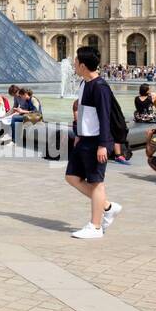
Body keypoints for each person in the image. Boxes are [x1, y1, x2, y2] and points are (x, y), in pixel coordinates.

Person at [66, 45, 121, 239]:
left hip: (97, 141)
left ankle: (96, 226)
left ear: (82, 65)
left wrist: (103, 145)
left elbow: (104, 117)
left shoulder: (100, 87)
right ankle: (107, 206)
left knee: (97, 183)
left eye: (75, 62)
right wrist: (79, 134)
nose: (73, 64)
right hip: (84, 139)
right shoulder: (84, 84)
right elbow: (84, 113)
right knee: (71, 177)